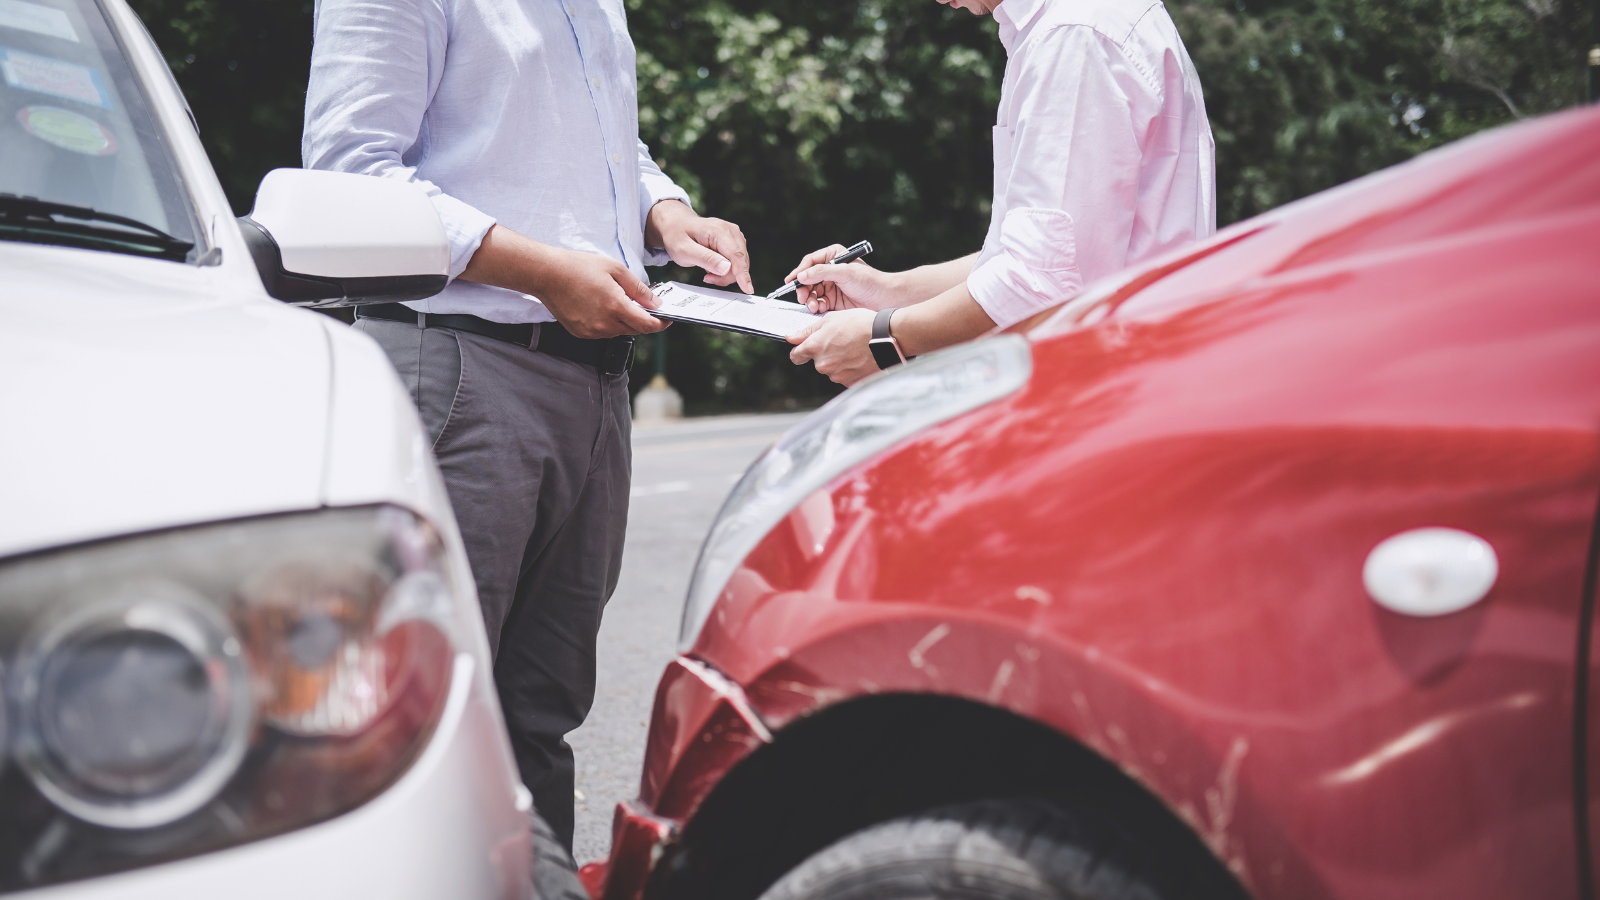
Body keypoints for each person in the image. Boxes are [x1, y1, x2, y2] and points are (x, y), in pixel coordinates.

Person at [302, 0, 752, 852]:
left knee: (539, 716)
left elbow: (598, 151)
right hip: (462, 368)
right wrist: (542, 271)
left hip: (593, 385)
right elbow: (350, 171)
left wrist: (666, 213)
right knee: (429, 717)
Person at [787, 0, 1214, 385]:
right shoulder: (1076, 26)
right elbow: (1037, 258)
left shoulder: (1073, 36)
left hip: (1114, 391)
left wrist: (885, 336)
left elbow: (1038, 280)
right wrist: (888, 289)